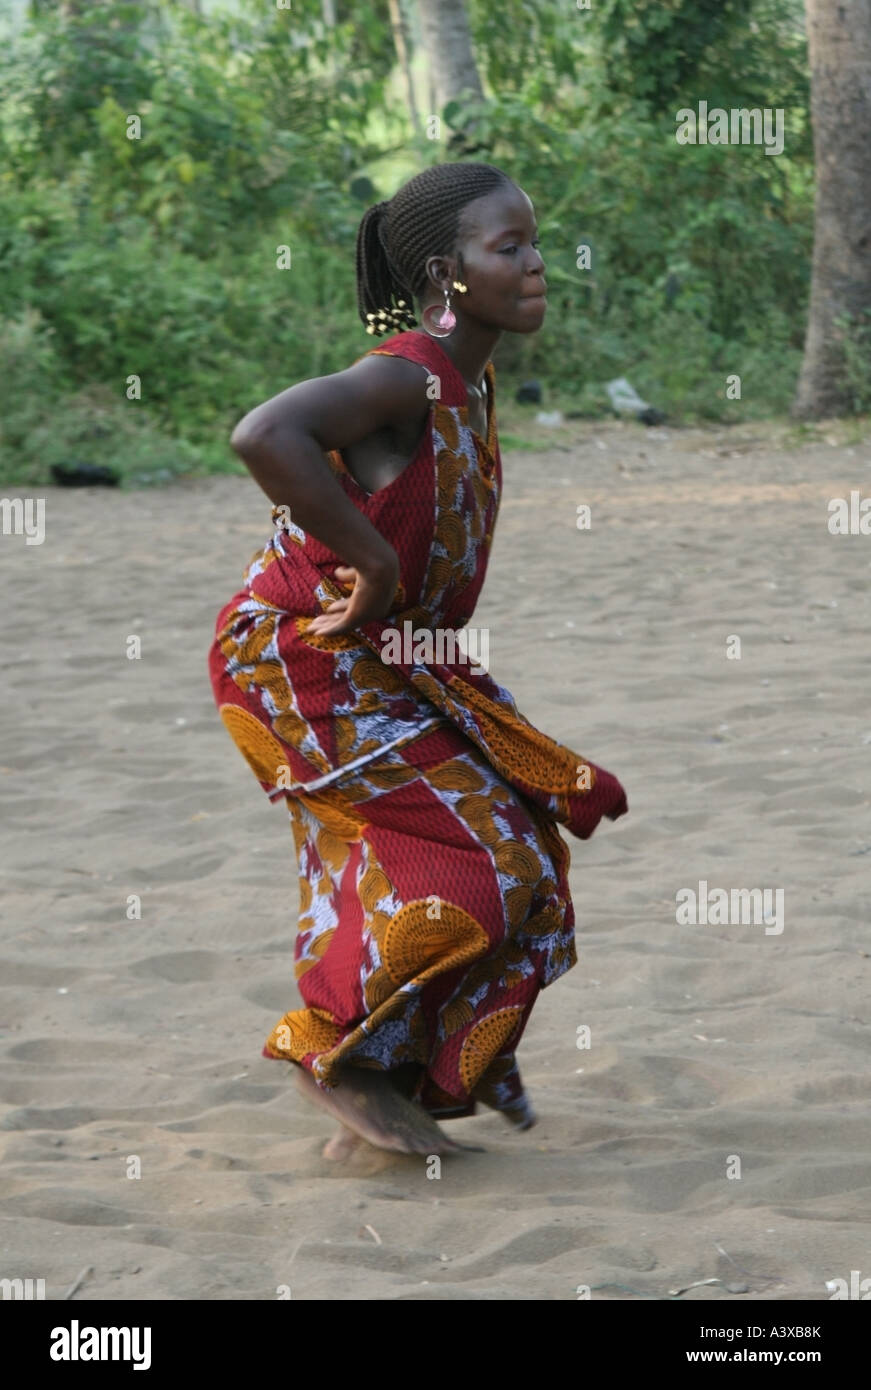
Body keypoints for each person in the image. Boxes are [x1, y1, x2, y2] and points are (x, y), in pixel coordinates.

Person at [208, 161, 628, 1160]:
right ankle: (333, 1053)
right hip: (299, 663)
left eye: (533, 242)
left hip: (388, 661)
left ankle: (400, 1067)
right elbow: (265, 432)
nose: (536, 266)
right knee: (478, 868)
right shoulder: (404, 375)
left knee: (526, 859)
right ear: (447, 274)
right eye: (510, 248)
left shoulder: (467, 388)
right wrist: (369, 557)